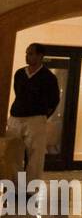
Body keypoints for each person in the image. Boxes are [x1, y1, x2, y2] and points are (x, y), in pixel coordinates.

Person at [9, 43, 59, 183]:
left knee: (35, 154)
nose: (27, 56)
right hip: (16, 117)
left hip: (36, 118)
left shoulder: (48, 77)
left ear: (40, 56)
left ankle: (30, 189)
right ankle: (14, 186)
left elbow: (54, 100)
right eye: (27, 53)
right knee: (13, 153)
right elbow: (17, 92)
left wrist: (42, 115)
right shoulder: (20, 74)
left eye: (31, 53)